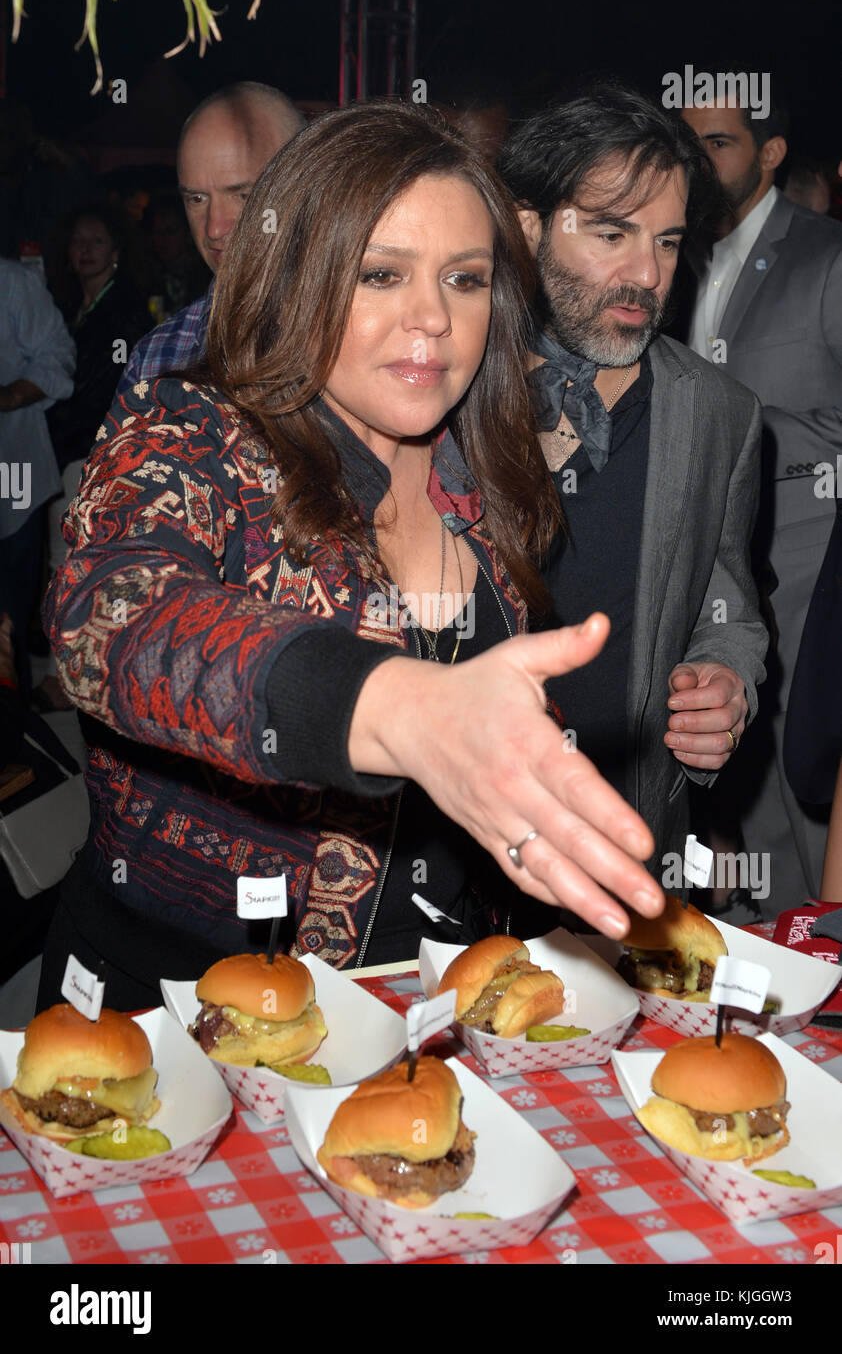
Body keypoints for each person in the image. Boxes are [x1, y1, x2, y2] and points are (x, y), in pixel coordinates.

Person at [40, 102, 663, 1009]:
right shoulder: (190, 430)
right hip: (177, 1013)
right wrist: (396, 706)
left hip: (429, 1011)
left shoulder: (489, 473)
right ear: (299, 279)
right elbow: (110, 619)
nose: (433, 319)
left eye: (464, 278)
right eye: (380, 274)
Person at [498, 84, 768, 887]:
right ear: (528, 226)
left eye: (668, 241)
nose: (646, 275)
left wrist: (726, 686)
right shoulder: (454, 390)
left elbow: (731, 609)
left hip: (630, 843)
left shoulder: (722, 415)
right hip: (460, 846)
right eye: (612, 234)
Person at [683, 82, 842, 913]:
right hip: (712, 588)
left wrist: (741, 426)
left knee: (810, 824)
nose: (698, 162)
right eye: (690, 142)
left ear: (771, 152)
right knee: (737, 825)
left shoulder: (827, 256)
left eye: (719, 143)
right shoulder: (669, 257)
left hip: (811, 591)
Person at [32, 207, 152, 712]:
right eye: (78, 240)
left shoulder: (122, 312)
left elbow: (97, 391)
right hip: (73, 451)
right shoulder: (69, 305)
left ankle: (76, 677)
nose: (84, 249)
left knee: (76, 565)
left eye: (96, 240)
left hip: (94, 453)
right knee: (65, 564)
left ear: (117, 251)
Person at [117, 82, 304, 394]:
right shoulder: (155, 360)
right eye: (197, 199)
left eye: (242, 195)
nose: (214, 229)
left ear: (304, 186)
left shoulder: (365, 338)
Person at [0, 258, 75, 694]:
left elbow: (59, 356)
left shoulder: (11, 282)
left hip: (13, 463)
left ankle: (15, 731)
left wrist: (11, 393)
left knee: (10, 591)